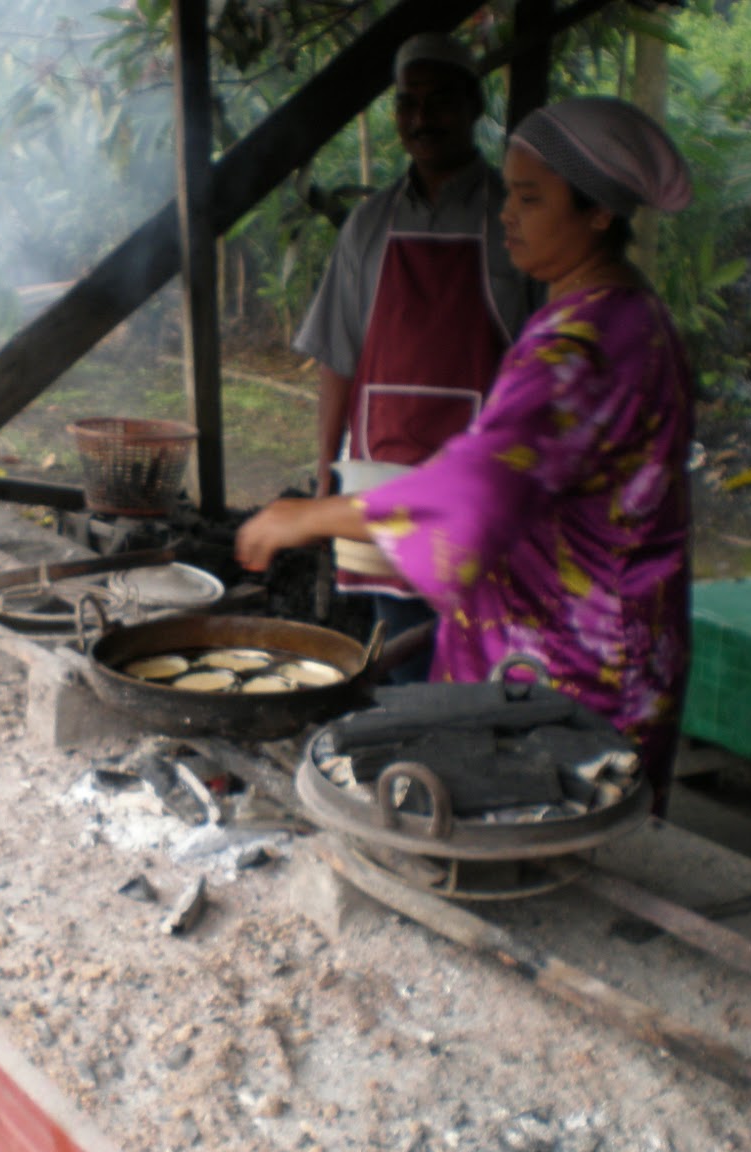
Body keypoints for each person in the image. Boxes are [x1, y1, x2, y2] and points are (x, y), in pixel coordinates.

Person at [238, 96, 694, 812]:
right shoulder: (637, 315)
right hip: (632, 649)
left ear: (598, 213)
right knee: (596, 851)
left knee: (538, 854)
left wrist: (313, 515)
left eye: (530, 197)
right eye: (509, 192)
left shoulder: (572, 348)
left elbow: (473, 499)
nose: (506, 213)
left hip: (560, 683)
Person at [294, 32, 536, 682]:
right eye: (409, 104)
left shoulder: (513, 220)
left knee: (486, 648)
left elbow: (546, 365)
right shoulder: (368, 226)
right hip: (383, 478)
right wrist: (325, 471)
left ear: (474, 105)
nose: (423, 119)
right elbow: (338, 357)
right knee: (400, 647)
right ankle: (409, 767)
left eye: (439, 102)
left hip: (481, 478)